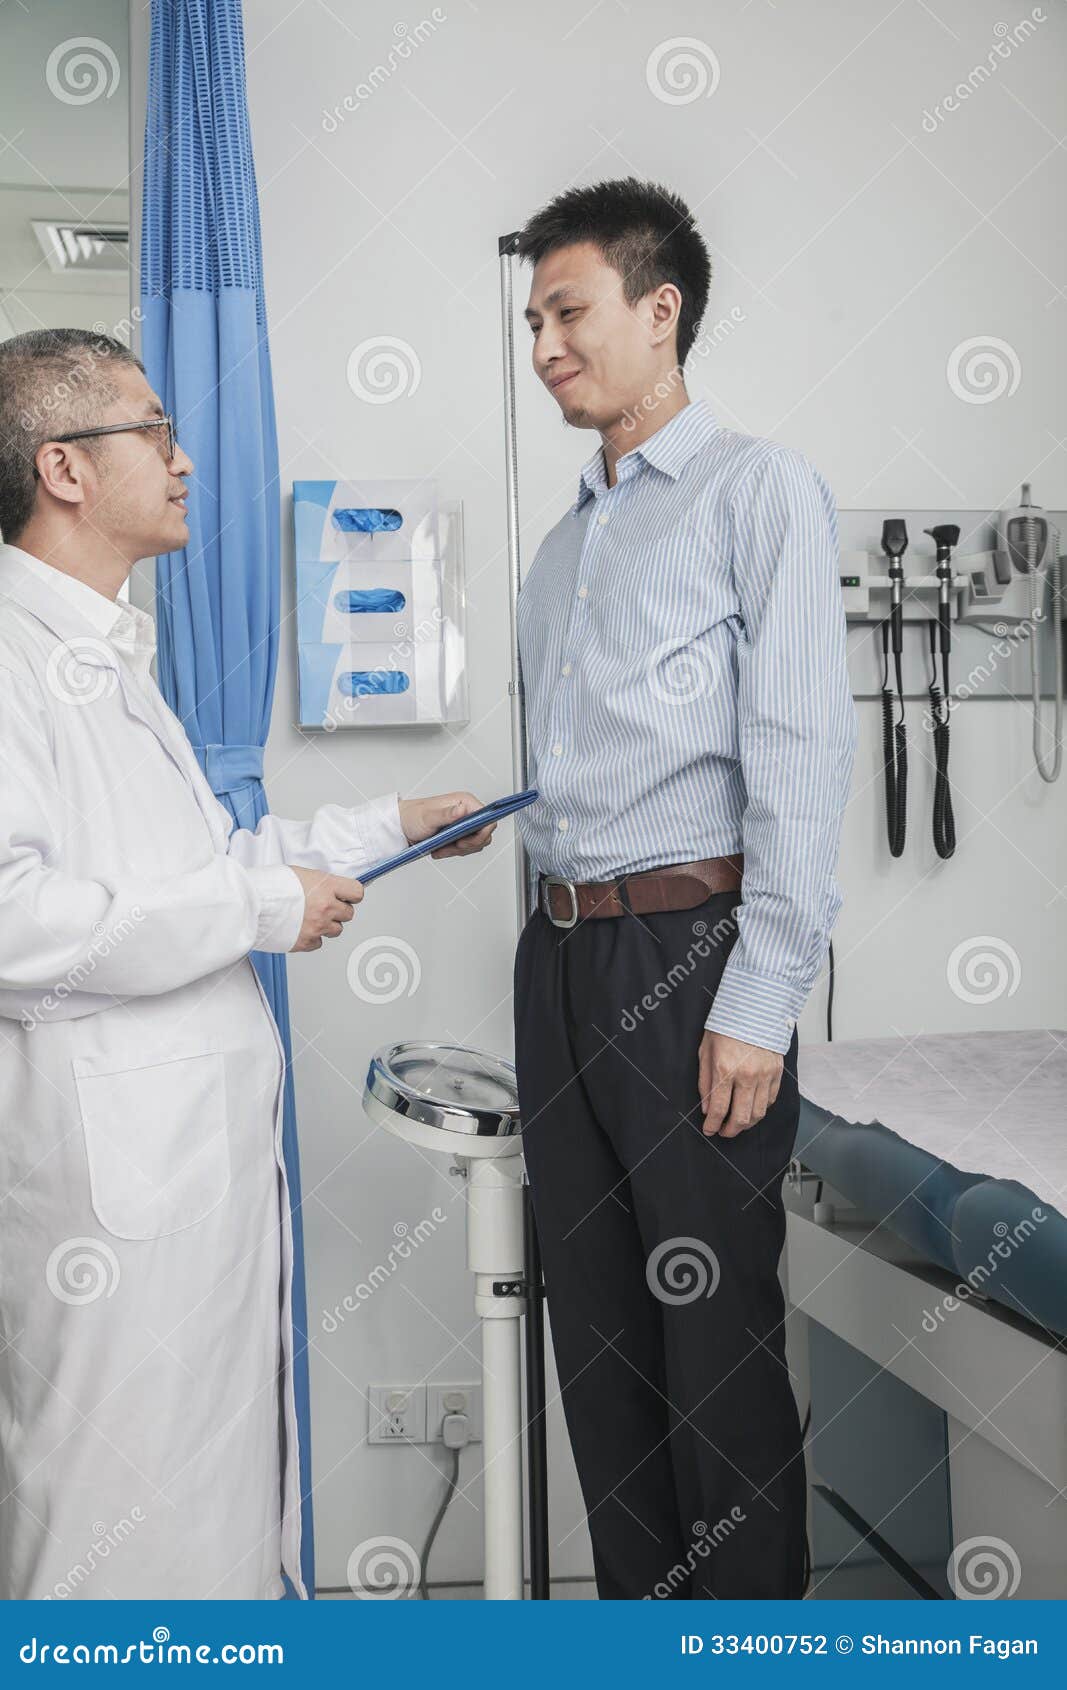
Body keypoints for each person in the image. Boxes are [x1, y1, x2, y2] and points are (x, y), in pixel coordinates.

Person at [0, 328, 495, 1600]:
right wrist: (253, 906)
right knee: (107, 1524)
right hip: (113, 1194)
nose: (181, 459)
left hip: (189, 1173)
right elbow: (14, 920)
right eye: (151, 431)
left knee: (203, 1520)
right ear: (63, 466)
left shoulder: (107, 651)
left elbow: (208, 860)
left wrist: (388, 828)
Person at [511, 179, 857, 1599]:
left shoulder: (755, 490)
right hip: (558, 957)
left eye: (567, 311)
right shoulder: (560, 551)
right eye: (532, 318)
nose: (542, 344)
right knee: (595, 1337)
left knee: (709, 1345)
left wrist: (759, 999)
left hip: (691, 961)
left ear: (659, 314)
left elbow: (797, 750)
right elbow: (596, 764)